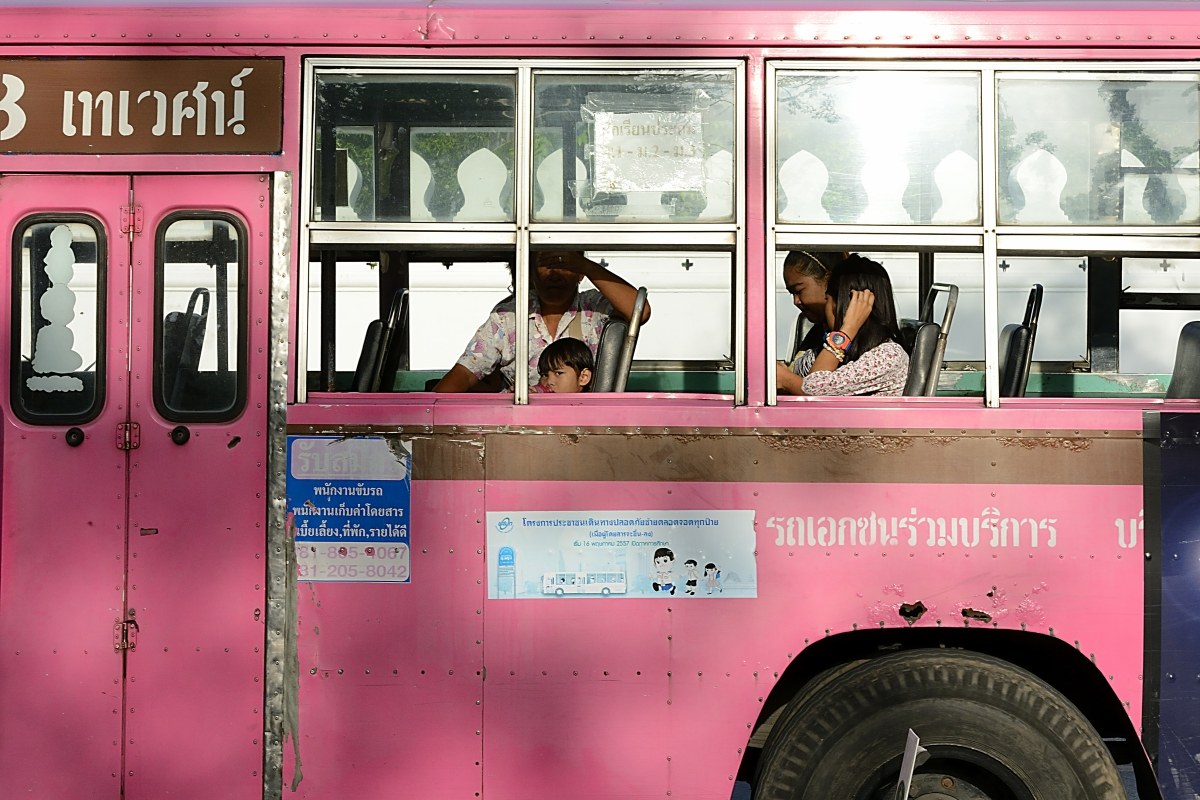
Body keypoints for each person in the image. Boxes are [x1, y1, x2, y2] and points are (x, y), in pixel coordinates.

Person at [433, 250, 649, 392]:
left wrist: (588, 267)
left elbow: (641, 312)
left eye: (563, 263)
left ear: (579, 273)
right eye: (545, 263)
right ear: (530, 272)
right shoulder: (509, 314)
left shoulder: (595, 306)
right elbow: (467, 371)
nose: (554, 273)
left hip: (583, 425)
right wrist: (427, 412)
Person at [784, 254, 909, 396]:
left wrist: (847, 330)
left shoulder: (888, 356)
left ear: (849, 307)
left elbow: (813, 388)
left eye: (828, 300)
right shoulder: (842, 350)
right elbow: (800, 370)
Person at [775, 250, 845, 396]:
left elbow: (817, 390)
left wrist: (785, 379)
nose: (796, 301)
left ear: (829, 282)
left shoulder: (857, 345)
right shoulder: (816, 332)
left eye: (799, 290)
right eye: (791, 293)